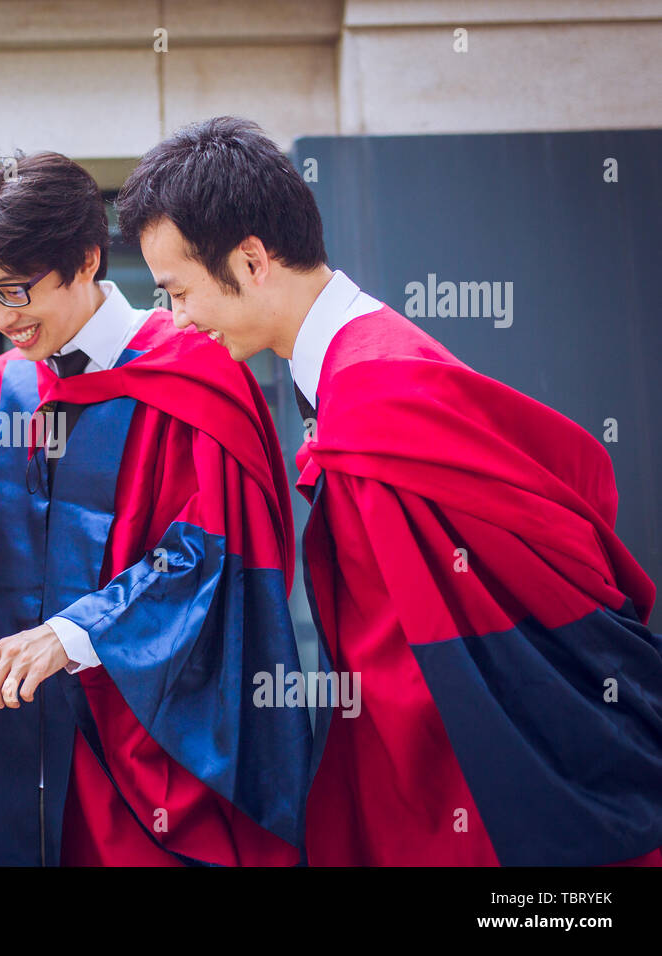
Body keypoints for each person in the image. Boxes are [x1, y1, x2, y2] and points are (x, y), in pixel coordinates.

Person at [116, 115, 662, 866]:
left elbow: (432, 658)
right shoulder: (369, 367)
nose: (176, 320)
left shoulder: (373, 400)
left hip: (464, 793)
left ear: (250, 260)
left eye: (178, 292)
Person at [0, 152, 311, 866]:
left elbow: (210, 560)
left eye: (14, 291)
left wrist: (74, 635)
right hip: (6, 745)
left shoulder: (196, 376)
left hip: (138, 748)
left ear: (88, 258)